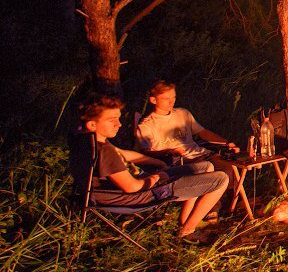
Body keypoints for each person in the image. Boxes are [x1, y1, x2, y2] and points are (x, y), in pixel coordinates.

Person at [81, 94, 228, 242]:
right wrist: (157, 177)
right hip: (141, 195)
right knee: (221, 179)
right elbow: (132, 188)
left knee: (206, 166)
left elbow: (123, 154)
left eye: (118, 119)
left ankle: (184, 220)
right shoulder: (105, 153)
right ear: (92, 124)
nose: (118, 124)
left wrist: (157, 163)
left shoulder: (88, 141)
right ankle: (187, 232)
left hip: (124, 187)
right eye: (112, 120)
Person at [135, 80, 239, 189]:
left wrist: (227, 143)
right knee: (208, 176)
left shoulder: (182, 113)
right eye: (166, 99)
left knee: (230, 169)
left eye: (173, 97)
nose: (171, 102)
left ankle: (227, 202)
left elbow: (203, 133)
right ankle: (215, 203)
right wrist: (169, 151)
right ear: (153, 100)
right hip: (177, 161)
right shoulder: (147, 125)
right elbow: (146, 153)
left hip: (200, 154)